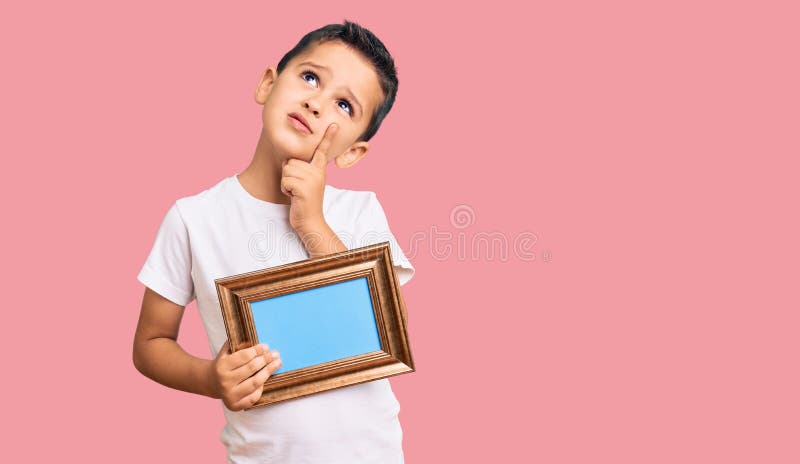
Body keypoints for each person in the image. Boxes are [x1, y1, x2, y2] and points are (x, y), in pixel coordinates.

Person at [133, 19, 415, 463]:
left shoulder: (361, 213)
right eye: (310, 77)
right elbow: (150, 344)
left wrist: (313, 223)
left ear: (353, 152)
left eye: (344, 104)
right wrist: (210, 379)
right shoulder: (193, 219)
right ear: (268, 83)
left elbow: (376, 327)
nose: (317, 101)